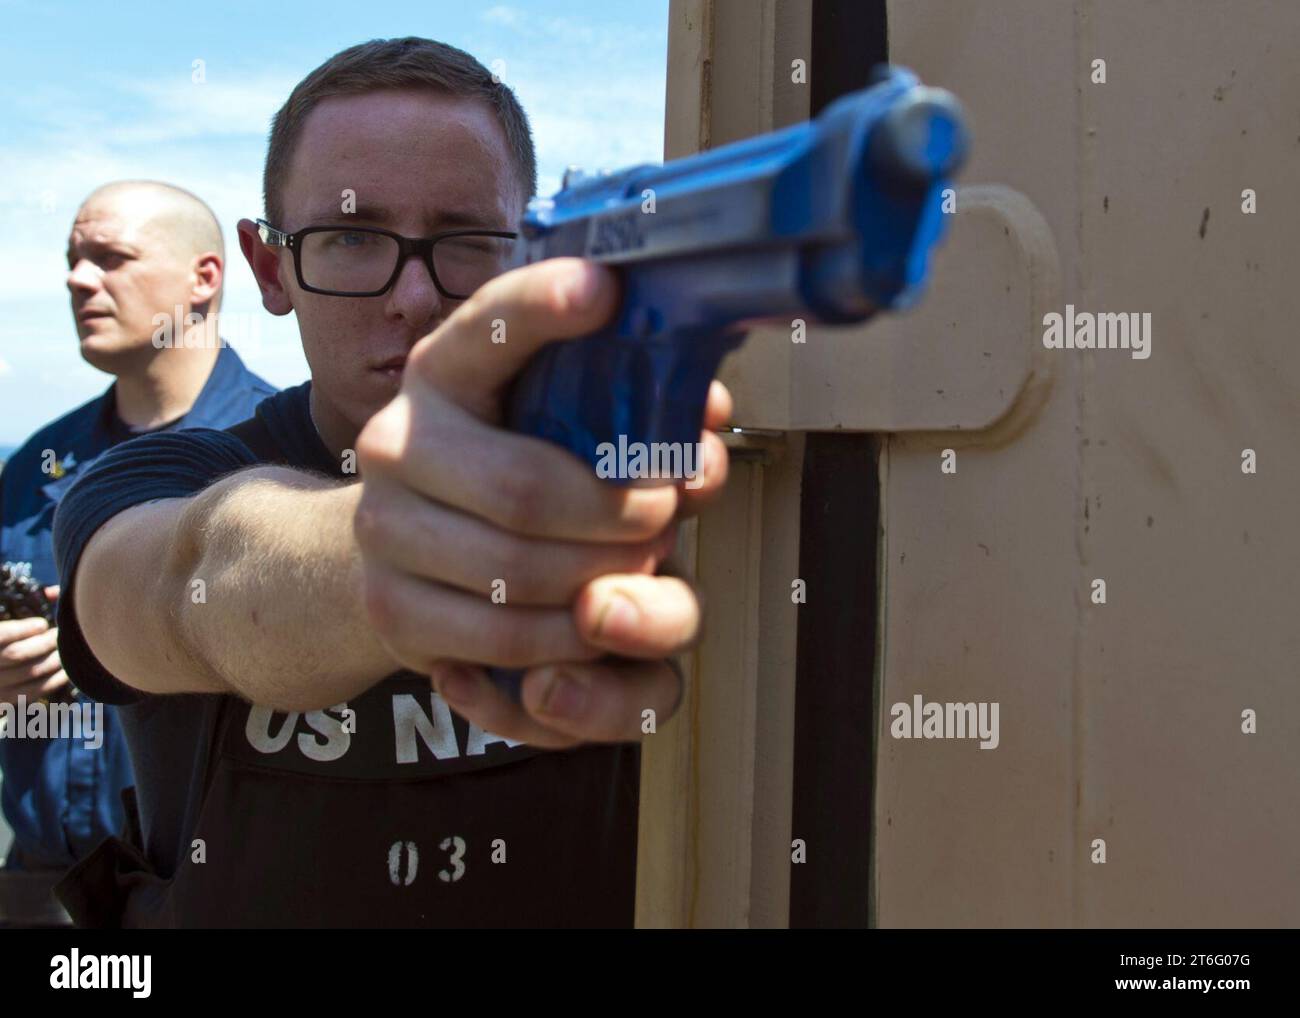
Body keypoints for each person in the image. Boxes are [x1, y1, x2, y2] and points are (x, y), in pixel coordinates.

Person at [50, 37, 730, 928]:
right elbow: (180, 579)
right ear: (271, 269)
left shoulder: (633, 482)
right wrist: (413, 550)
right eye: (351, 238)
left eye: (466, 239)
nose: (414, 297)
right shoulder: (156, 475)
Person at [0, 181, 275, 926]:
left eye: (110, 258)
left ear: (206, 278)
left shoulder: (284, 459)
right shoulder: (34, 467)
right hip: (42, 893)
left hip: (217, 894)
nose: (77, 279)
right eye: (71, 260)